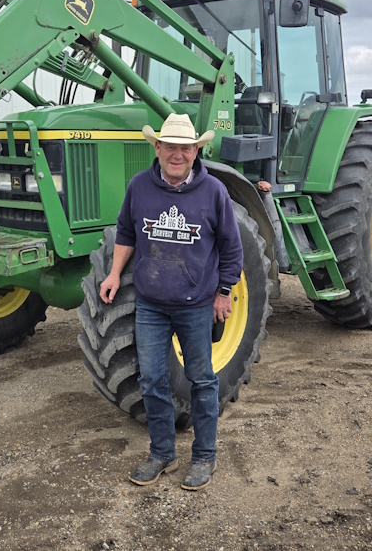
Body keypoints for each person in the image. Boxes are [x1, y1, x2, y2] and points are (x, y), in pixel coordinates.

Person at [100, 113, 244, 491]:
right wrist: (114, 274)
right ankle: (162, 452)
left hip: (196, 305)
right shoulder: (139, 187)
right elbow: (126, 233)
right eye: (170, 147)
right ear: (157, 148)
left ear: (196, 151)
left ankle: (204, 456)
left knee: (201, 380)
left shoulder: (214, 191)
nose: (177, 154)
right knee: (151, 381)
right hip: (150, 305)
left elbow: (232, 247)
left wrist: (224, 292)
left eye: (185, 148)